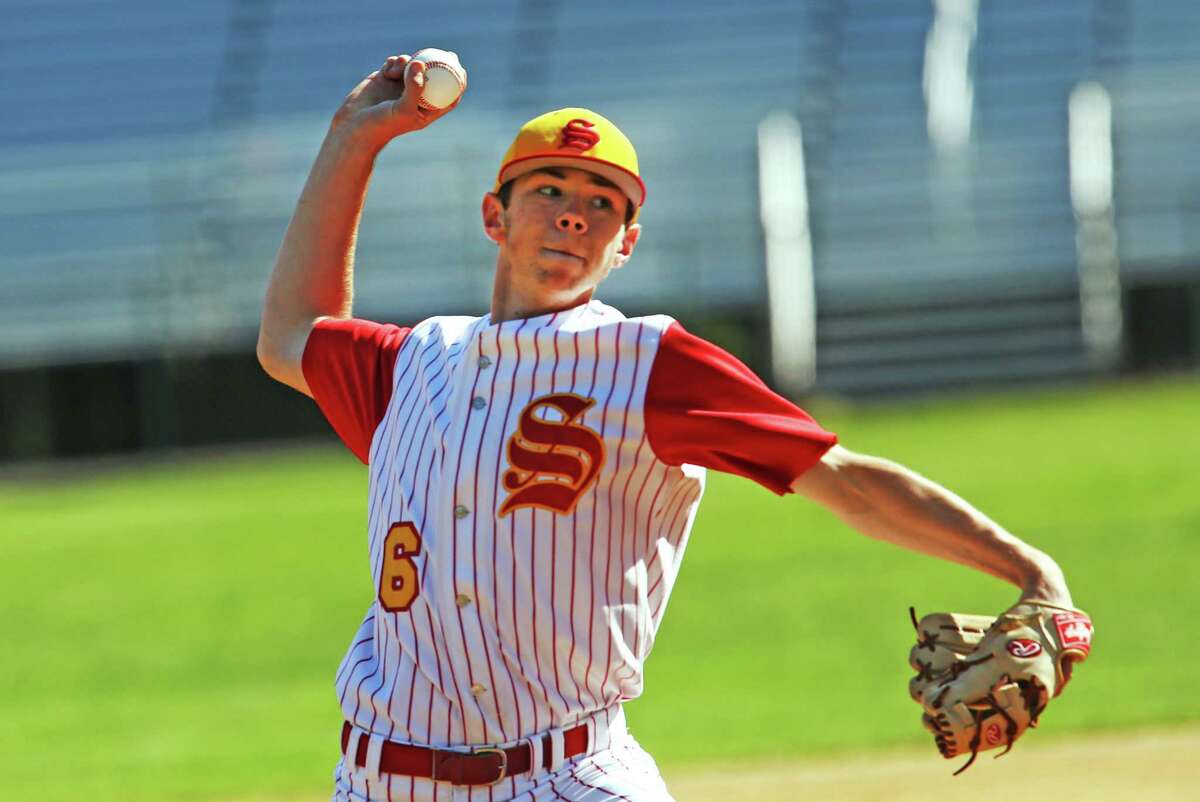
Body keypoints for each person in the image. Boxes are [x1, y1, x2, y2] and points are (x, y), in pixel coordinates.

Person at [257, 52, 1079, 802]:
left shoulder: (649, 361)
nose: (574, 216)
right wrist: (355, 137)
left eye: (601, 204)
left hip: (569, 776)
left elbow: (845, 481)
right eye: (549, 189)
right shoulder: (411, 366)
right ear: (494, 216)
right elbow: (292, 334)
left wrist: (1028, 566)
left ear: (627, 244)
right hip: (379, 783)